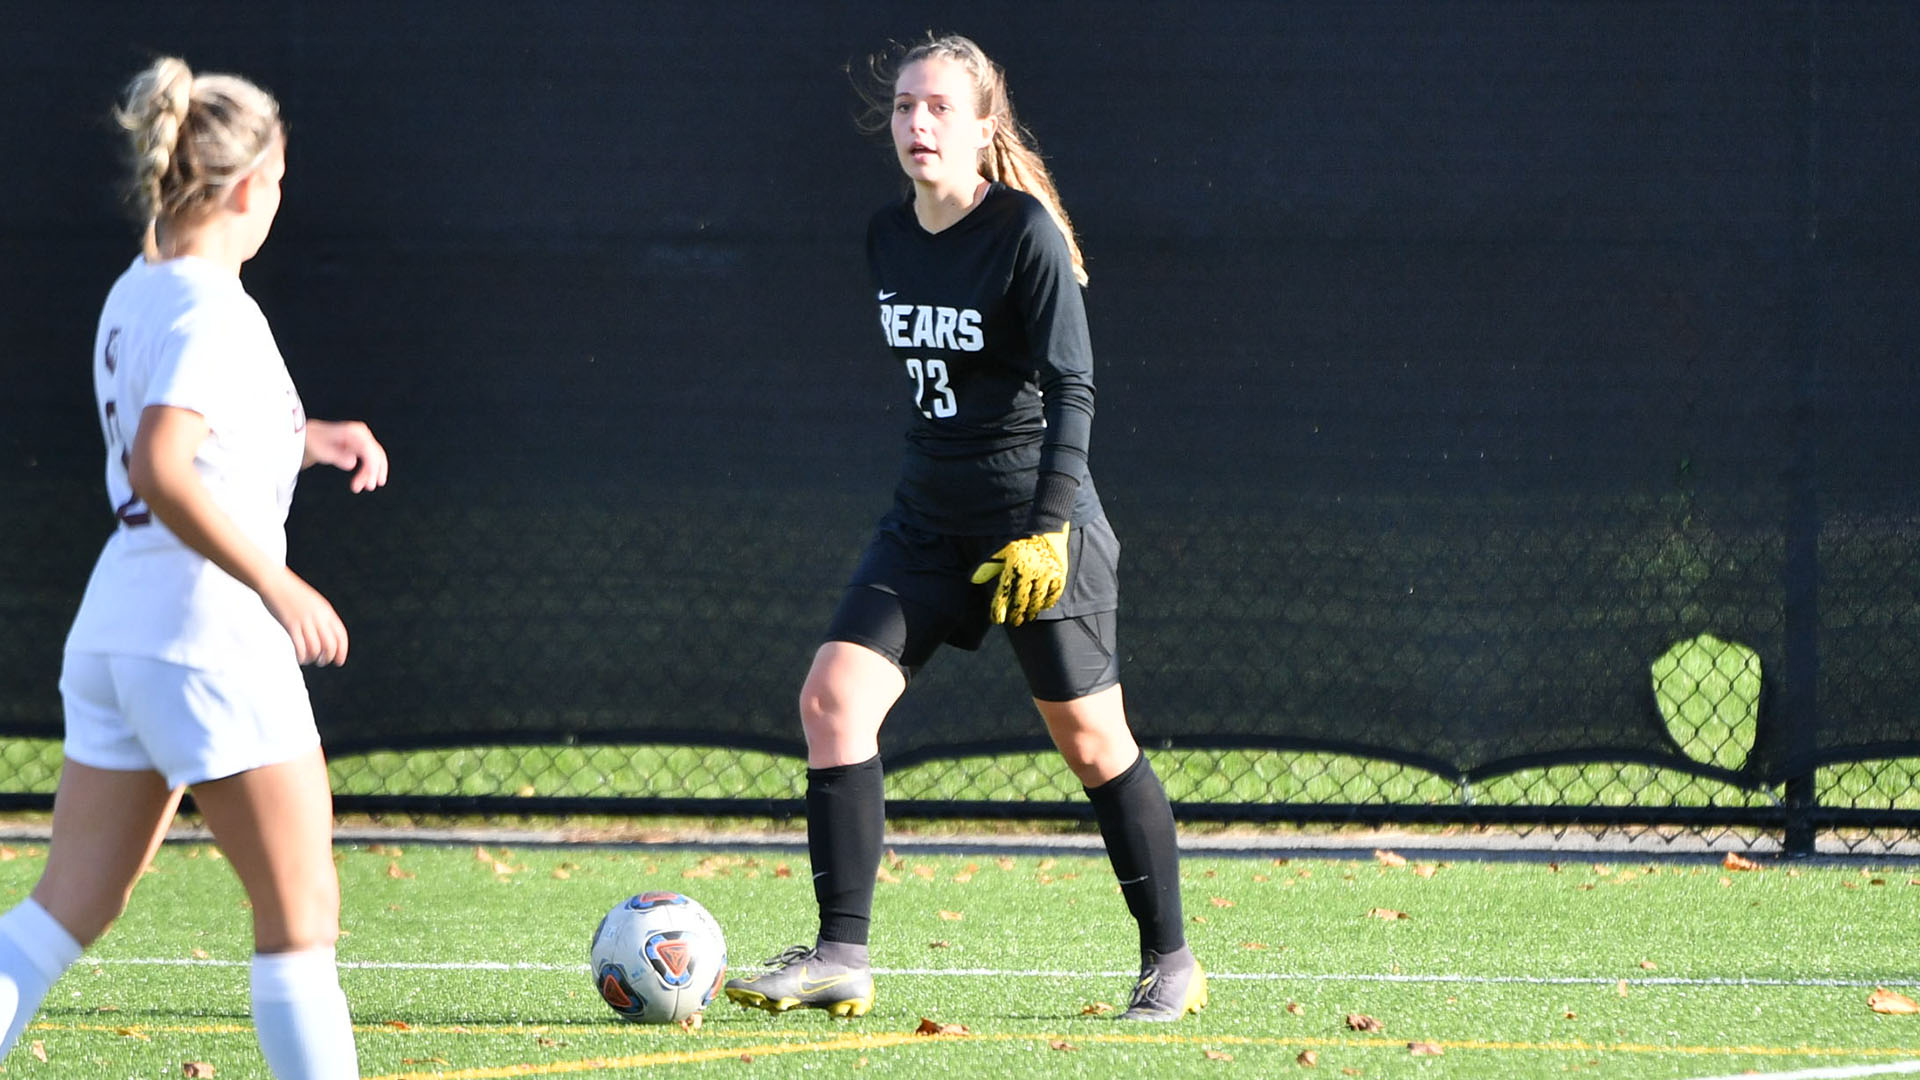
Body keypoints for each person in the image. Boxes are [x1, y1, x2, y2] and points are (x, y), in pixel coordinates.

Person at [724, 33, 1205, 1023]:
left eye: (940, 107)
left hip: (1036, 524)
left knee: (1091, 742)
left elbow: (1073, 388)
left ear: (986, 128)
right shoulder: (886, 237)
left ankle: (1173, 962)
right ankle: (840, 956)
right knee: (831, 699)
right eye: (904, 107)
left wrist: (1051, 528)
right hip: (927, 525)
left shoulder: (1022, 232)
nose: (917, 125)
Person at [0, 57, 385, 1079]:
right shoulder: (214, 308)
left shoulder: (142, 290)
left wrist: (307, 436)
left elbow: (198, 433)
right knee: (301, 920)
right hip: (206, 636)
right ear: (251, 187)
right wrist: (277, 579)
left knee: (62, 911)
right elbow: (162, 460)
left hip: (119, 630)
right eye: (282, 184)